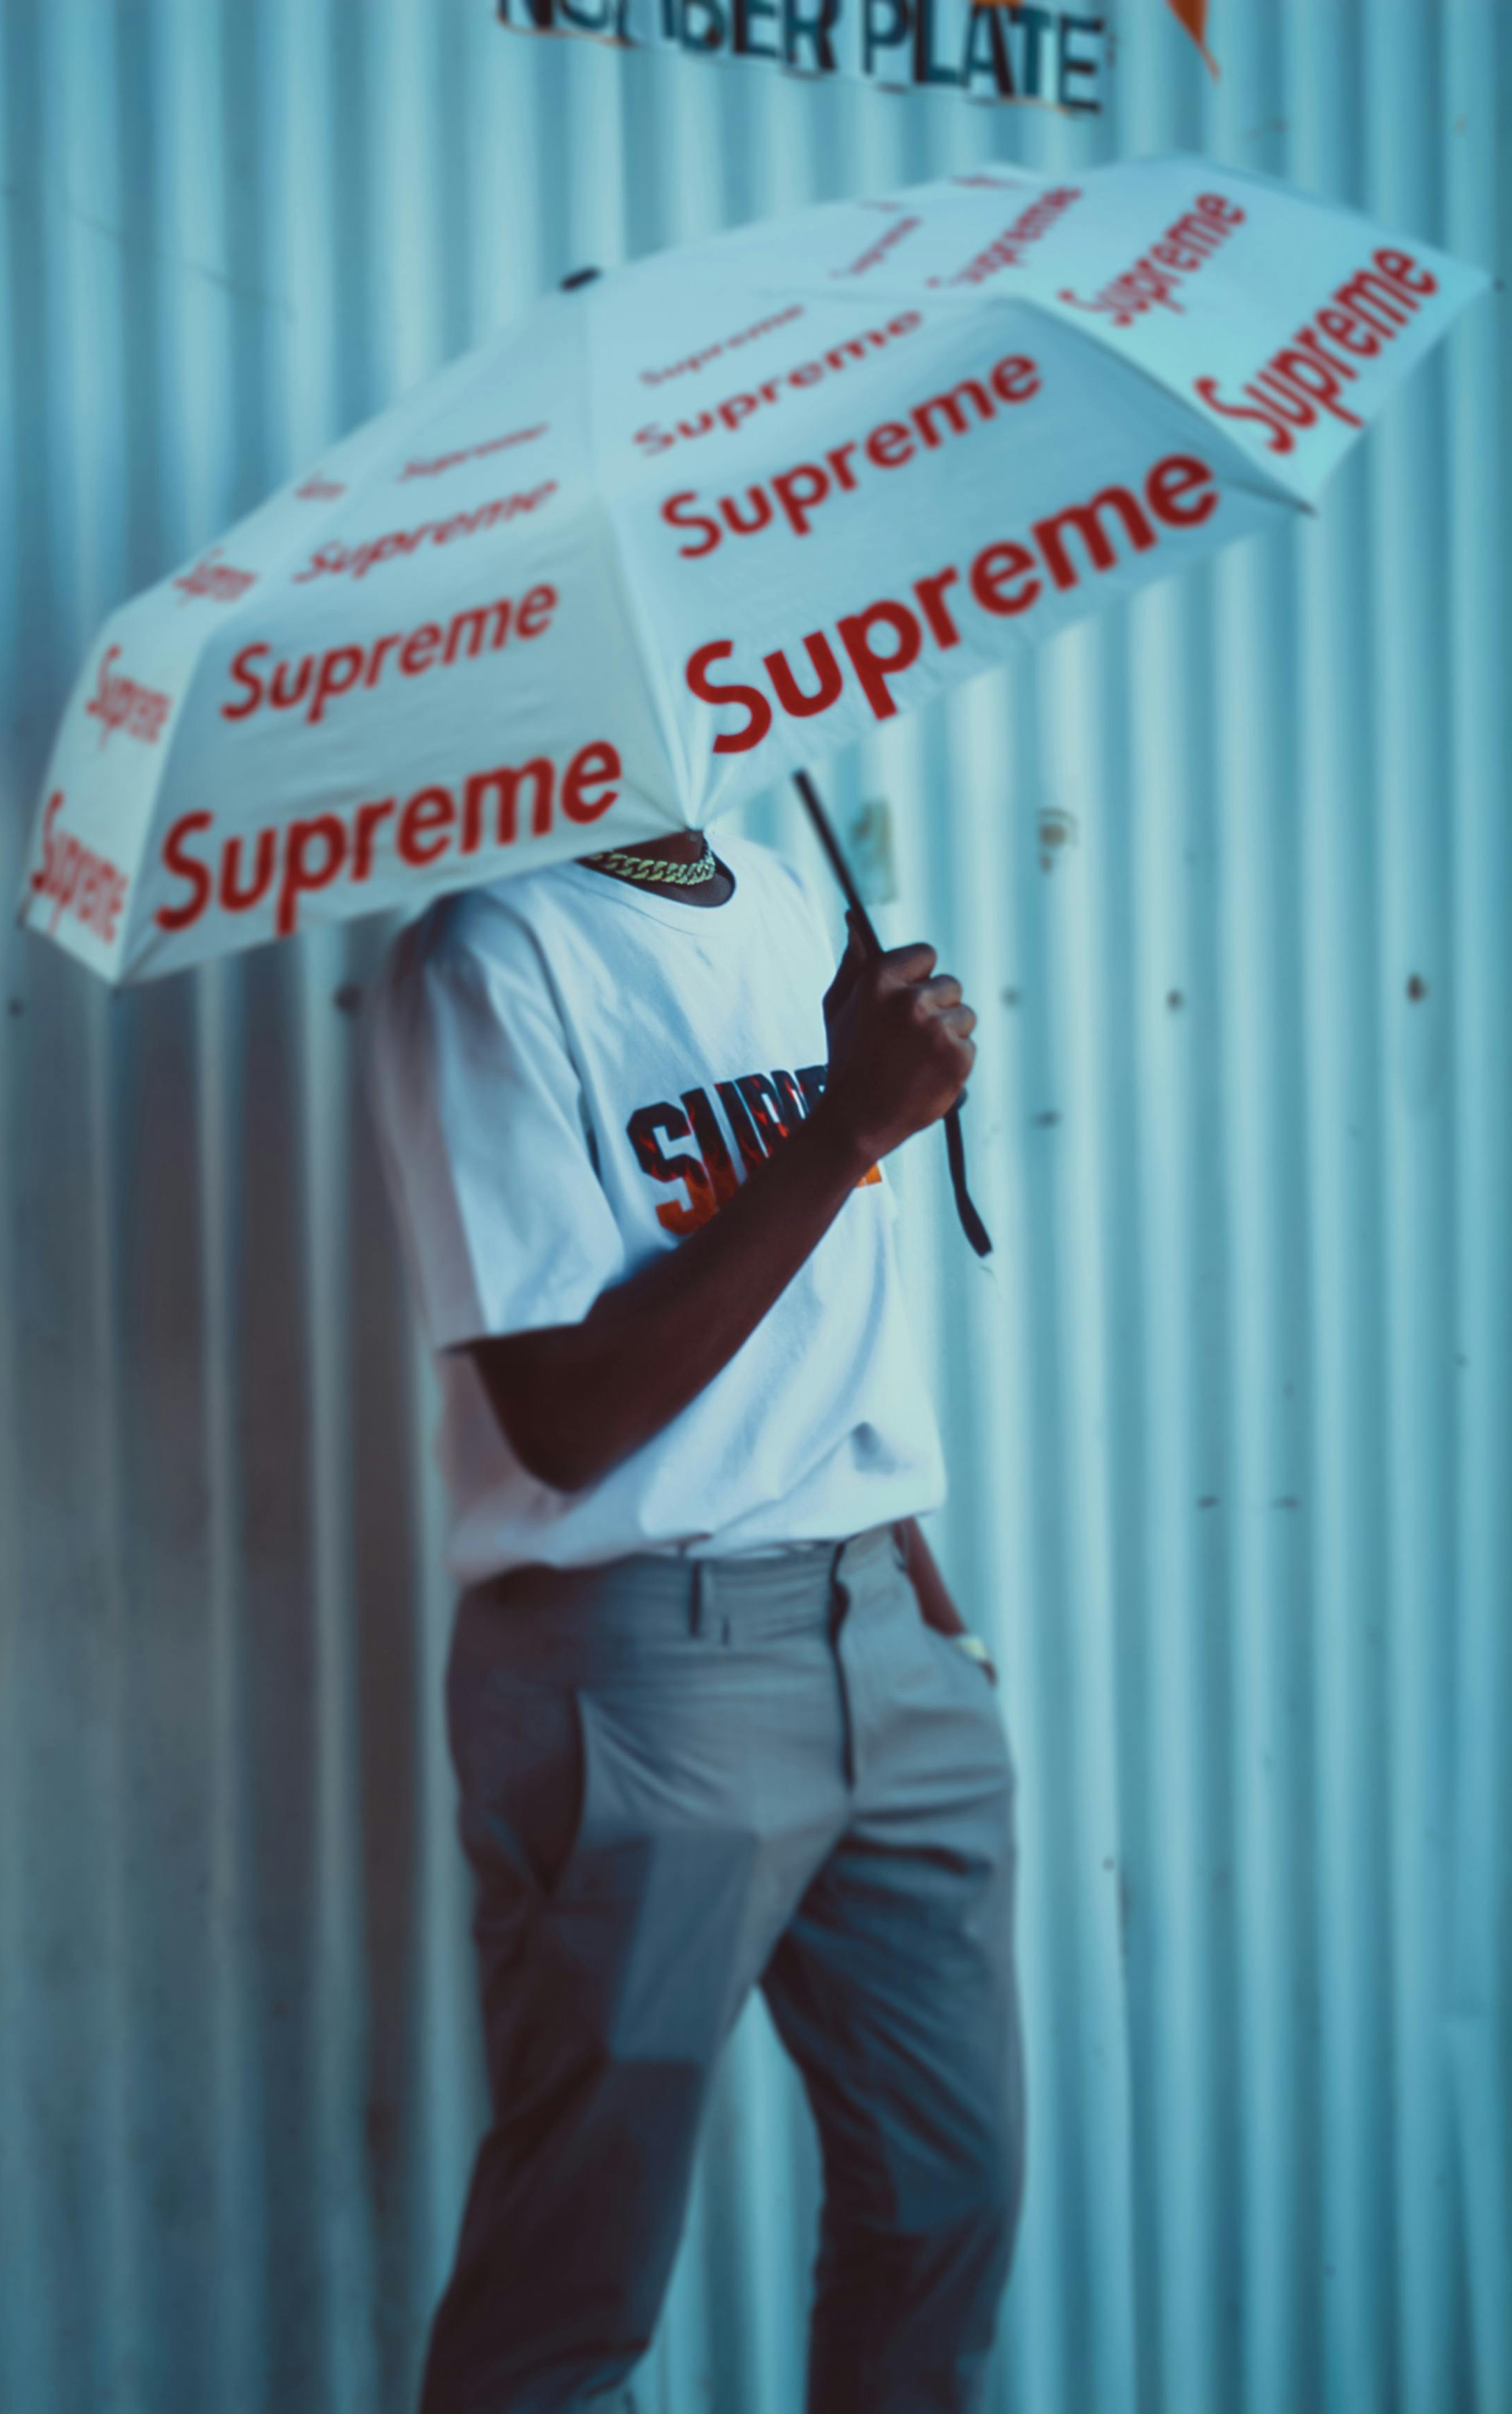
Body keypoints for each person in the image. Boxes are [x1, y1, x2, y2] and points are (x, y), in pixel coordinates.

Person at [367, 821, 1025, 2414]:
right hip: (645, 1672)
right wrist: (841, 1126)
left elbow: (815, 1309)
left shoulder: (784, 885)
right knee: (572, 2289)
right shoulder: (481, 958)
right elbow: (565, 1420)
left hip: (882, 1640)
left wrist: (912, 1579)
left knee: (945, 2211)